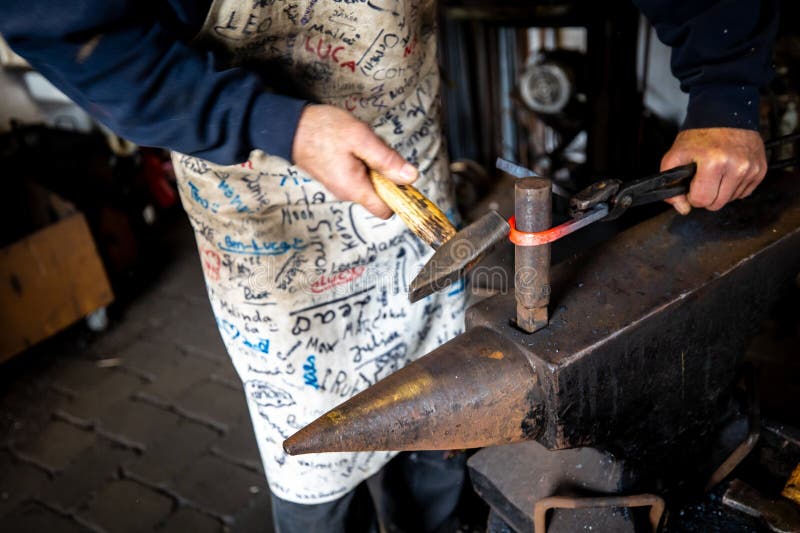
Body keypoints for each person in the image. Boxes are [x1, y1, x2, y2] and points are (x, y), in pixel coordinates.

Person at [0, 0, 778, 531]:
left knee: (436, 471)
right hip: (263, 206)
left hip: (409, 165)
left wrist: (724, 90)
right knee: (314, 481)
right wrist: (273, 122)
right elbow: (67, 30)